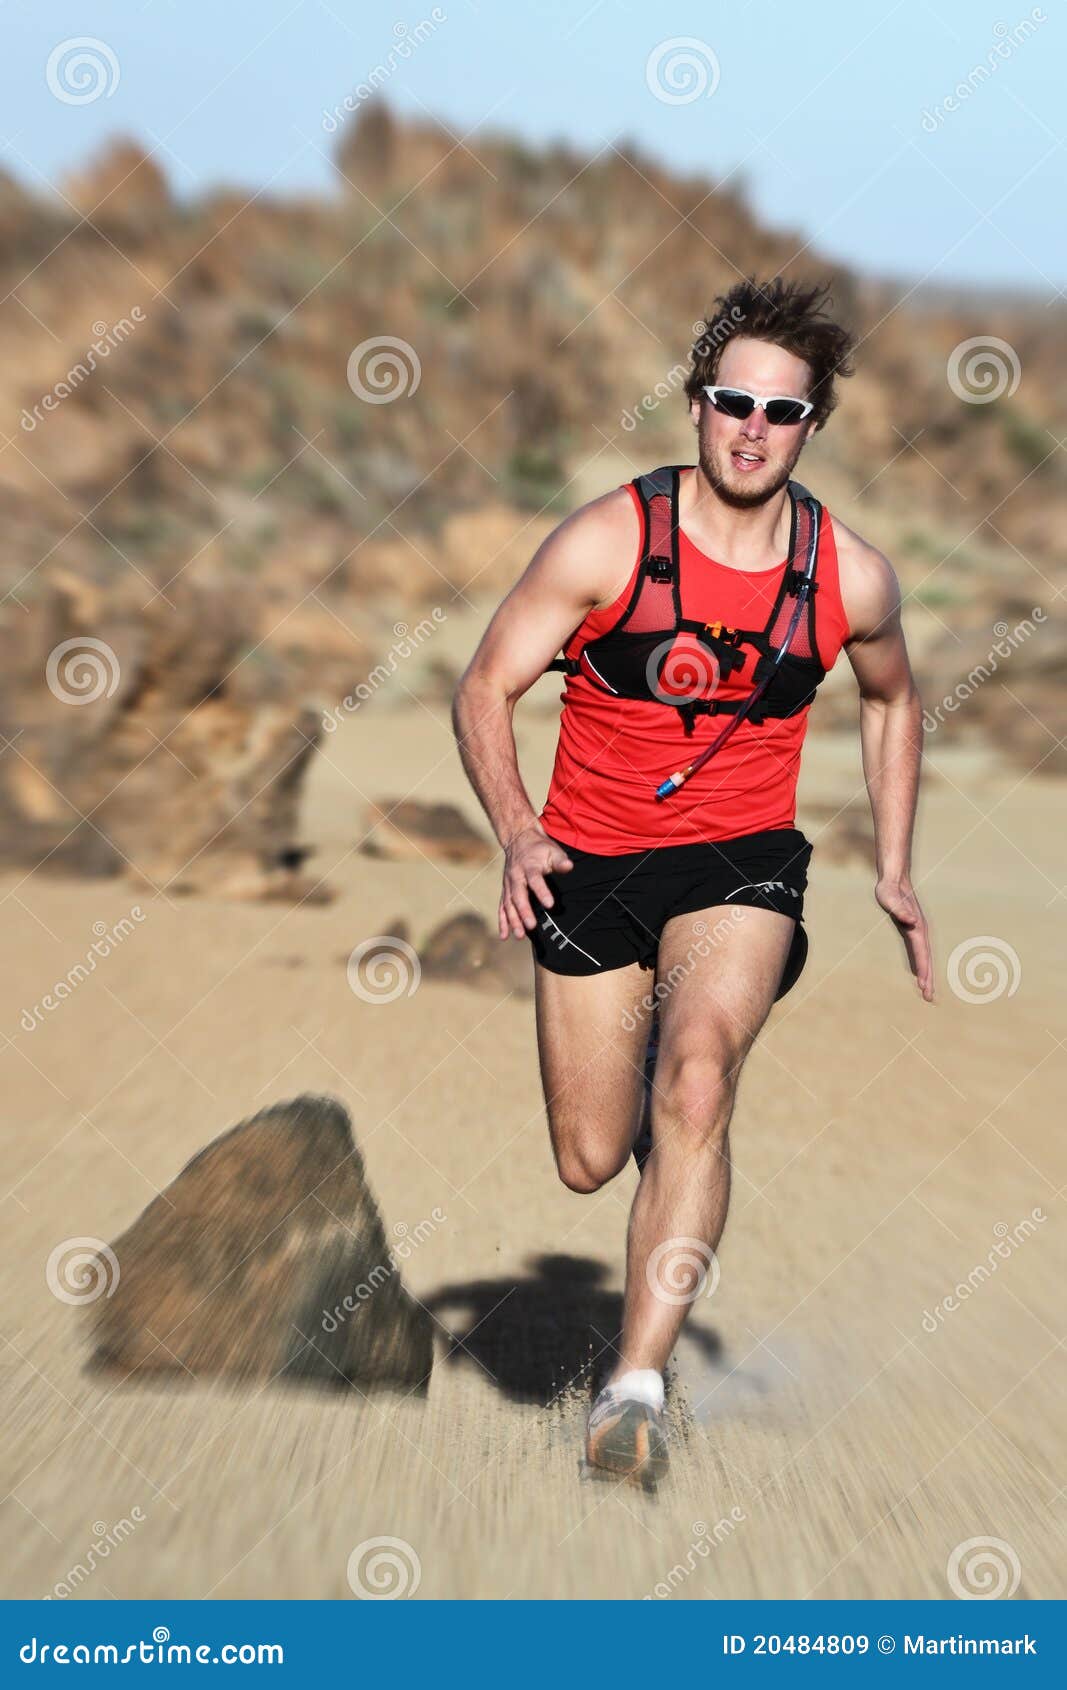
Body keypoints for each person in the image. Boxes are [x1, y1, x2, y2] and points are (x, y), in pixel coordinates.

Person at [451, 276, 933, 1489]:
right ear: (694, 406)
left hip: (738, 866)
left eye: (781, 411)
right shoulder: (608, 540)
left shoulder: (847, 576)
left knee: (699, 1078)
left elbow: (890, 697)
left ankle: (632, 1391)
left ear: (811, 425)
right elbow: (482, 686)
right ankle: (661, 1072)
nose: (750, 429)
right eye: (732, 401)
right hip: (587, 860)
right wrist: (515, 829)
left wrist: (896, 864)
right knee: (585, 1150)